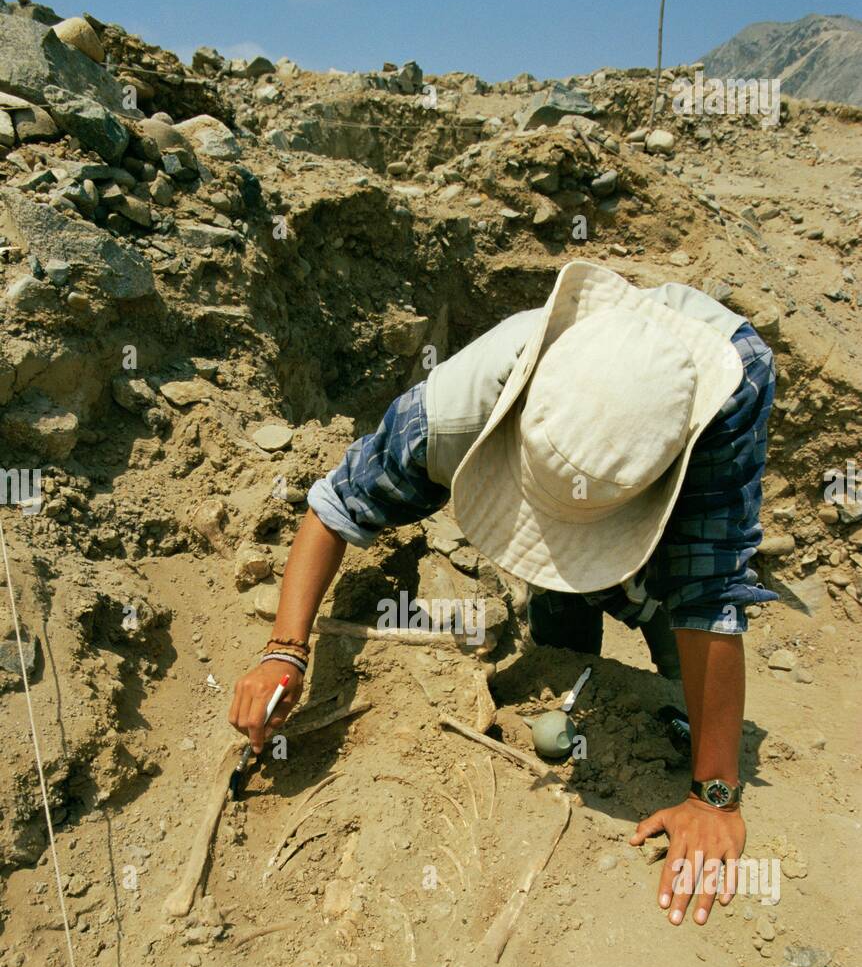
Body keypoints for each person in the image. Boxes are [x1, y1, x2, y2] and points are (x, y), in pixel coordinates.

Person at [229, 260, 776, 926]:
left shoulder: (733, 390)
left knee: (677, 595)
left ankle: (672, 691)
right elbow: (334, 506)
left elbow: (711, 587)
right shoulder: (450, 413)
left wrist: (714, 796)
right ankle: (572, 660)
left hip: (693, 410)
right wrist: (285, 649)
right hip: (578, 412)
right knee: (564, 607)